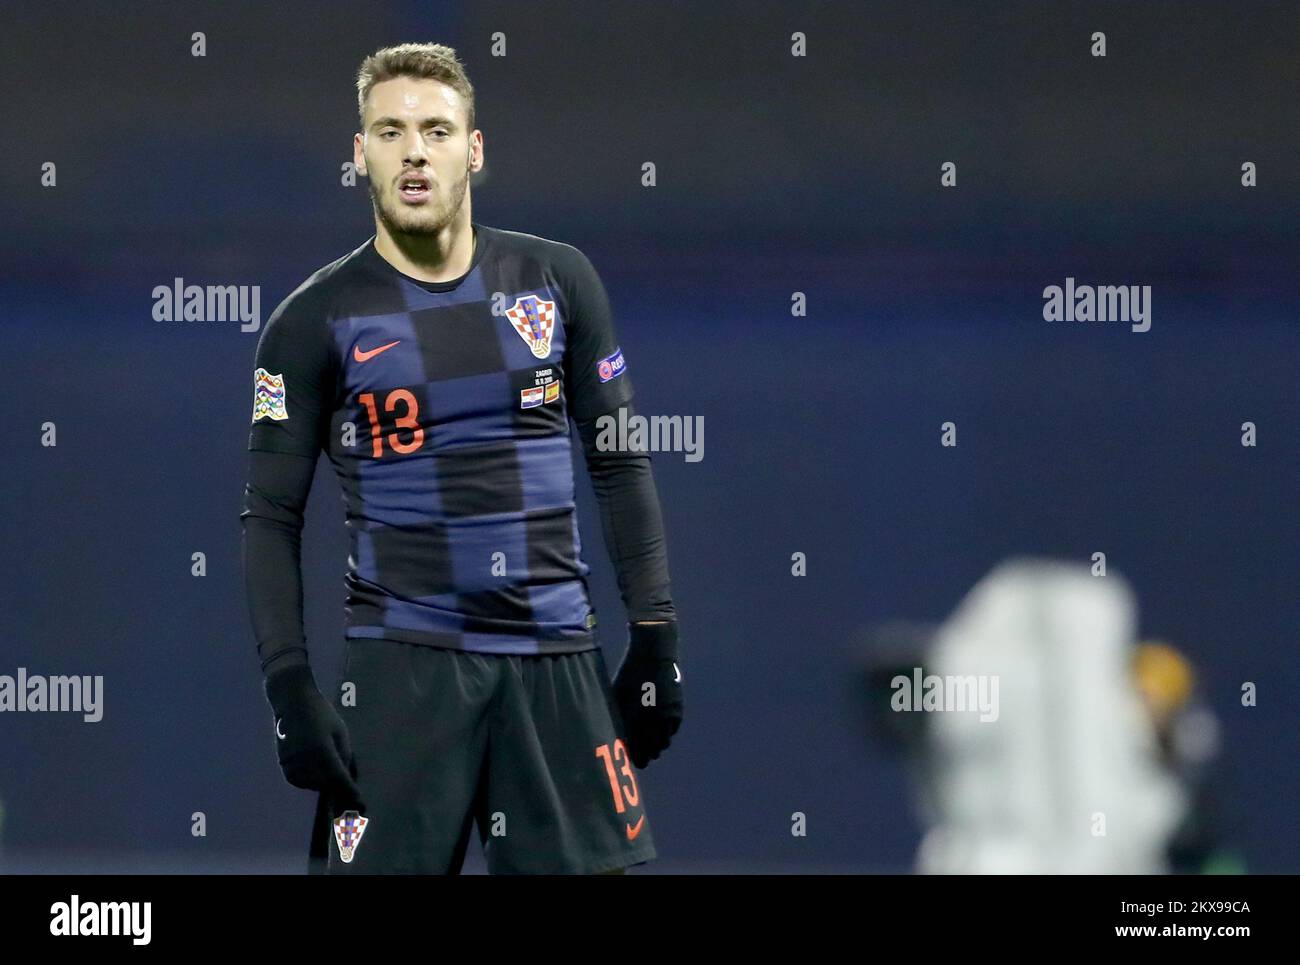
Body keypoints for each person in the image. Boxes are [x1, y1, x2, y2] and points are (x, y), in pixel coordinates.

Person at [239, 42, 682, 874]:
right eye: (390, 130)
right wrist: (289, 684)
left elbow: (620, 463)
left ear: (473, 150)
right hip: (400, 671)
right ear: (359, 154)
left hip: (555, 661)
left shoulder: (557, 281)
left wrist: (657, 635)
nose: (414, 150)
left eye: (436, 130)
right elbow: (270, 514)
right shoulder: (312, 321)